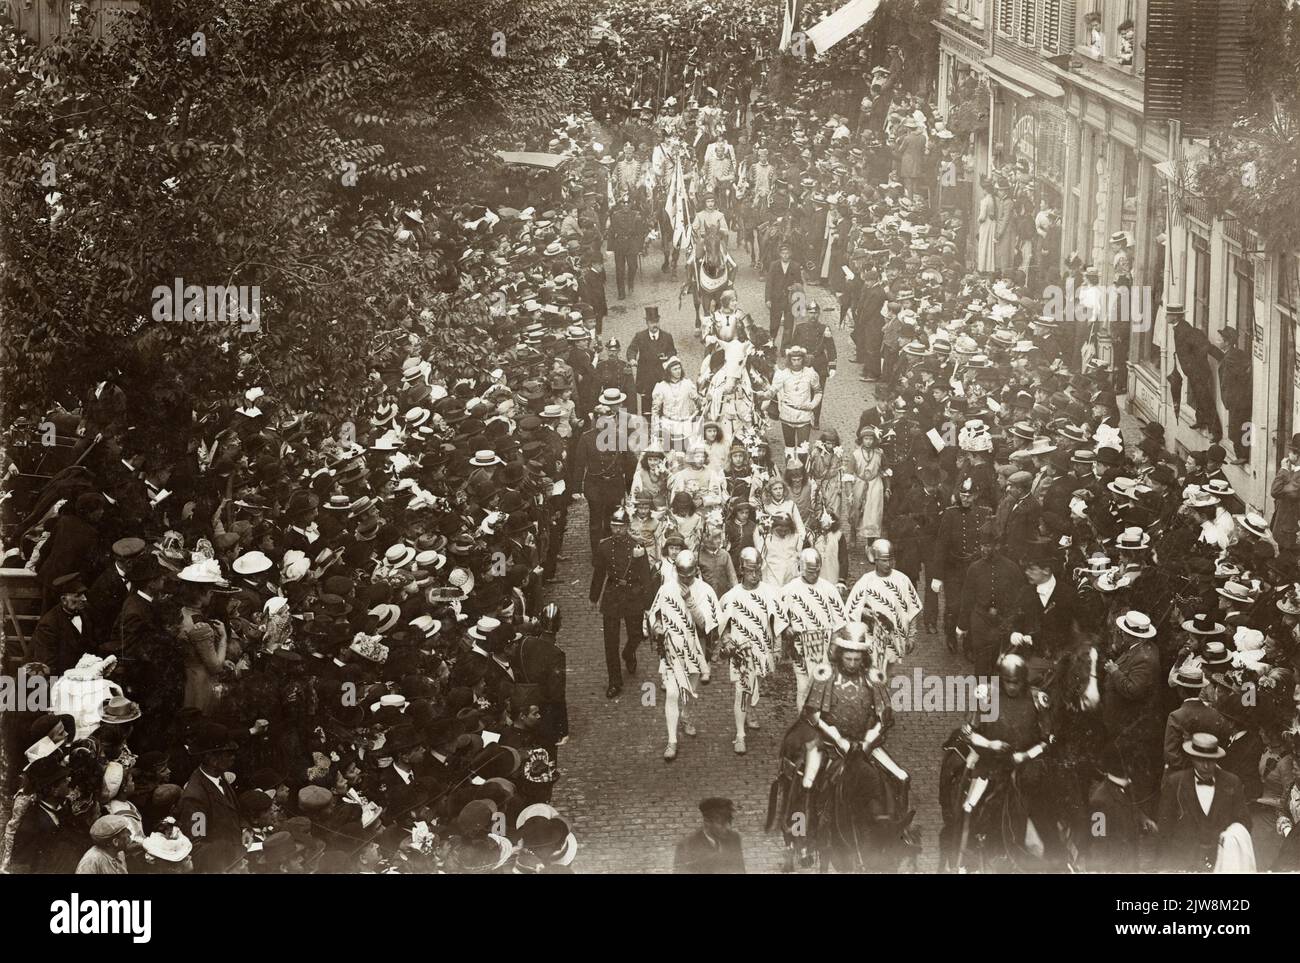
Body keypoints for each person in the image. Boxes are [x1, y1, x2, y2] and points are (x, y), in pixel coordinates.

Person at [648, 550, 721, 762]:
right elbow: (655, 613)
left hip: (696, 648)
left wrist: (690, 601)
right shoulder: (667, 588)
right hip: (672, 648)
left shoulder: (705, 591)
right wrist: (657, 626)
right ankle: (672, 740)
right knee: (671, 693)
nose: (686, 580)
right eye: (682, 575)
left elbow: (706, 624)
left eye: (689, 575)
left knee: (688, 690)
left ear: (696, 571)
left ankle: (686, 716)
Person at [718, 547, 784, 754]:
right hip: (742, 651)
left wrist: (777, 647)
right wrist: (727, 639)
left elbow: (777, 622)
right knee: (742, 691)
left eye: (757, 571)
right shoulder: (731, 596)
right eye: (750, 571)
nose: (754, 576)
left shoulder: (769, 592)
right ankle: (740, 735)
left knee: (755, 684)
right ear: (742, 571)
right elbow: (723, 626)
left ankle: (751, 709)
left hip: (762, 649)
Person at [1158, 733, 1253, 872]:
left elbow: (1245, 822)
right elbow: (1165, 827)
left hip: (1221, 861)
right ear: (1192, 758)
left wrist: (1229, 836)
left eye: (1211, 760)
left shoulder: (1232, 782)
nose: (1207, 766)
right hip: (1184, 862)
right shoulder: (1175, 782)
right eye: (1201, 760)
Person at [590, 507, 651, 699]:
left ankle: (629, 652)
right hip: (613, 594)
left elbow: (646, 576)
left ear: (627, 526)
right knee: (610, 641)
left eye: (621, 527)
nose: (617, 531)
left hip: (633, 594)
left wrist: (648, 602)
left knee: (636, 635)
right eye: (614, 527)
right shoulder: (604, 547)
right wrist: (594, 596)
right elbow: (599, 573)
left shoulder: (638, 546)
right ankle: (614, 681)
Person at [176, 721, 247, 874]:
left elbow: (233, 812)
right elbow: (198, 845)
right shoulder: (195, 798)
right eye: (228, 753)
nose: (233, 757)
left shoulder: (218, 777)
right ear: (210, 758)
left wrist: (246, 829)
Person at [845, 540, 921, 671]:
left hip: (894, 639)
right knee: (873, 674)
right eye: (884, 560)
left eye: (891, 560)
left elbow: (912, 609)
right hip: (872, 639)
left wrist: (911, 637)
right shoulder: (866, 581)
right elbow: (851, 608)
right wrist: (863, 611)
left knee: (887, 674)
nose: (888, 564)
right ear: (875, 560)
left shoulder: (902, 580)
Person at [32, 572, 93, 674]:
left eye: (84, 594)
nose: (84, 599)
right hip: (62, 677)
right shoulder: (48, 624)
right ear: (64, 600)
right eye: (78, 595)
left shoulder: (85, 613)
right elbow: (47, 665)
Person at [768, 345, 821, 455]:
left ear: (803, 359)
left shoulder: (811, 373)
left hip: (804, 415)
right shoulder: (782, 374)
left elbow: (818, 392)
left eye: (799, 359)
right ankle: (790, 471)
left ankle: (802, 472)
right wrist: (762, 394)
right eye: (793, 360)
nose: (796, 362)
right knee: (789, 449)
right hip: (787, 415)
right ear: (789, 360)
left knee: (803, 449)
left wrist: (812, 405)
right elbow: (772, 391)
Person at [673, 797, 745, 873]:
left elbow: (740, 870)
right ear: (707, 822)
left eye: (729, 822)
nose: (728, 827)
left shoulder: (734, 838)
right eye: (722, 823)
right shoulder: (686, 846)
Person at [628, 306, 677, 415]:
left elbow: (673, 351)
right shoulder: (640, 336)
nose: (654, 325)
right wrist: (632, 359)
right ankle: (648, 427)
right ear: (647, 323)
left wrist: (667, 357)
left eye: (656, 322)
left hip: (662, 376)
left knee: (664, 405)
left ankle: (663, 427)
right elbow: (631, 349)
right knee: (647, 408)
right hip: (646, 378)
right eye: (651, 322)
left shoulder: (667, 337)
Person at [1216, 326, 1252, 465]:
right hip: (1239, 400)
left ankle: (1243, 455)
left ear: (1227, 342)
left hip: (1237, 401)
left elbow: (1231, 381)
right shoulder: (1237, 354)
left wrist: (1230, 399)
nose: (1217, 341)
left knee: (1237, 428)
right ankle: (1243, 454)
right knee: (1239, 426)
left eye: (1220, 339)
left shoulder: (1231, 358)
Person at [765, 240, 802, 344]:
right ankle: (771, 342)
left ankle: (785, 347)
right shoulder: (774, 265)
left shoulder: (795, 266)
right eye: (783, 253)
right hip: (776, 299)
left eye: (787, 253)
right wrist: (768, 299)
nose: (785, 255)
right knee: (774, 323)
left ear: (790, 254)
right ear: (780, 254)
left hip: (789, 300)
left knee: (789, 324)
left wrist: (794, 287)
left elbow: (799, 282)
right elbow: (769, 284)